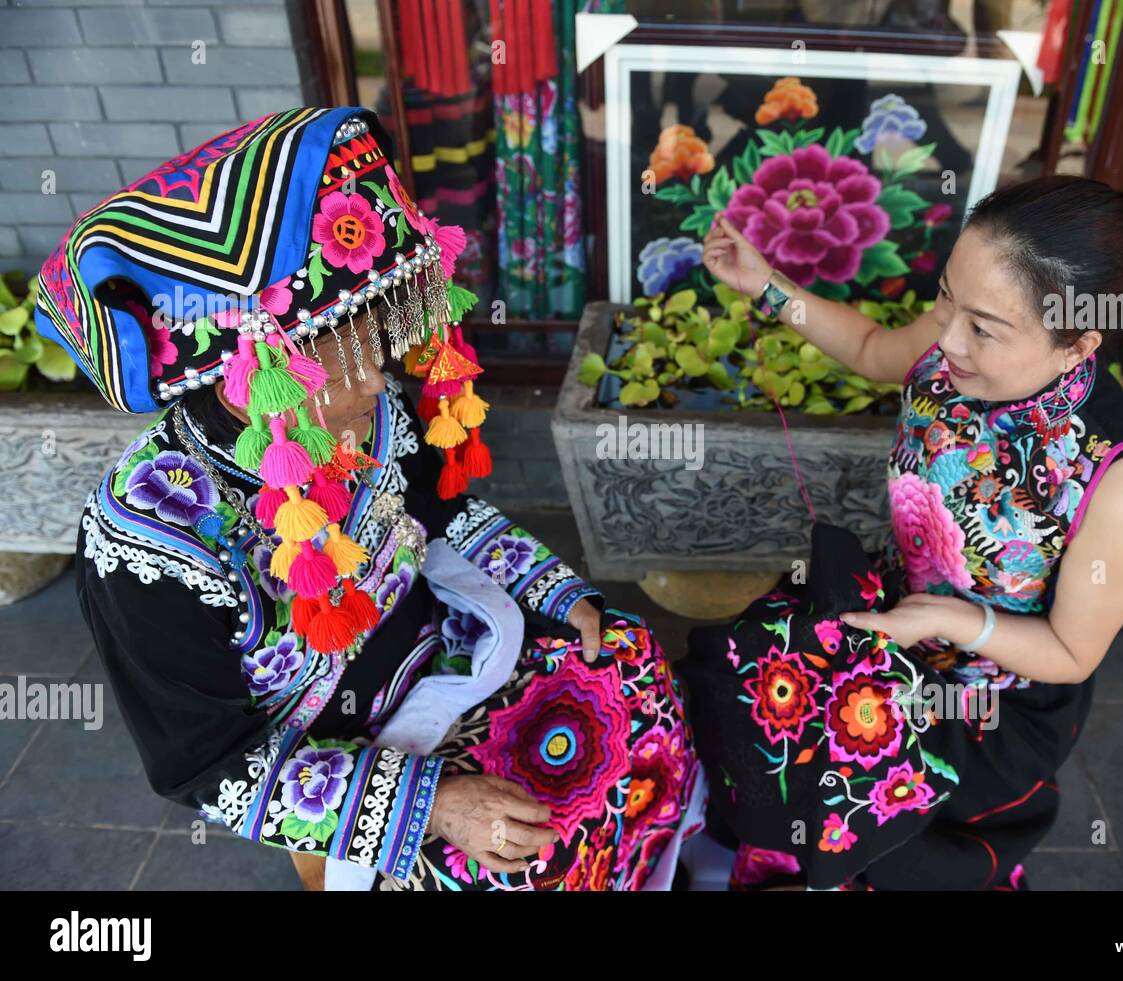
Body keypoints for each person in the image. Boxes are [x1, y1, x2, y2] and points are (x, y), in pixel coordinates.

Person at [36, 107, 702, 892]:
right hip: (342, 759)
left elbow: (443, 511)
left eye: (371, 344)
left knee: (628, 661)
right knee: (520, 864)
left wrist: (553, 590)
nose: (377, 381)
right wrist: (436, 804)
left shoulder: (369, 413)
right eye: (342, 358)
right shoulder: (145, 541)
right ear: (250, 377)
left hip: (449, 654)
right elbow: (208, 764)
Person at [681, 174, 1123, 890]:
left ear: (1079, 342)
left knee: (875, 832)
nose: (945, 338)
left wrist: (950, 618)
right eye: (948, 295)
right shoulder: (958, 341)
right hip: (896, 616)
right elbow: (870, 345)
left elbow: (1069, 650)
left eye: (984, 327)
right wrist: (765, 285)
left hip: (991, 694)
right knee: (749, 704)